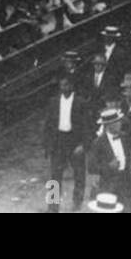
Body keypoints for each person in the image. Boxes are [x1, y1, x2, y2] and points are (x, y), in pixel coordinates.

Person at [45, 76, 89, 212]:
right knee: (54, 176)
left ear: (72, 85)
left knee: (79, 174)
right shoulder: (54, 102)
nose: (64, 88)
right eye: (62, 85)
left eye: (66, 85)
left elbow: (87, 126)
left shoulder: (81, 102)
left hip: (75, 141)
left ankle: (77, 204)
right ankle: (53, 207)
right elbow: (48, 125)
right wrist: (48, 145)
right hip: (58, 141)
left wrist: (83, 145)